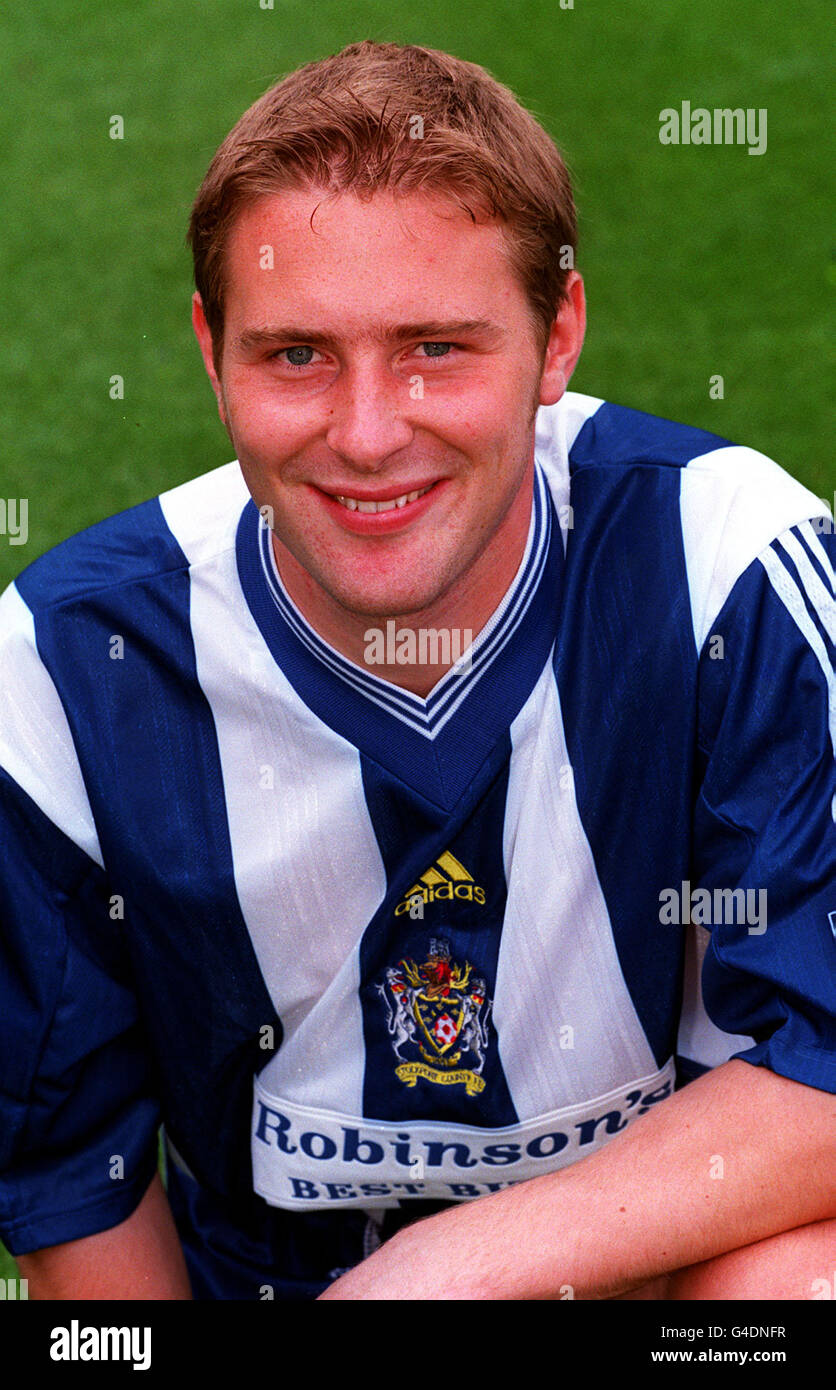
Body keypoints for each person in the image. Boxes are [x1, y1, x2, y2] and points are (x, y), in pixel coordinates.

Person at [0, 40, 833, 1302]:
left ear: (558, 336)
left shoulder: (729, 566)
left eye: (436, 347)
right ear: (210, 352)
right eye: (296, 356)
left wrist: (435, 1274)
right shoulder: (70, 659)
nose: (369, 432)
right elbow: (71, 1175)